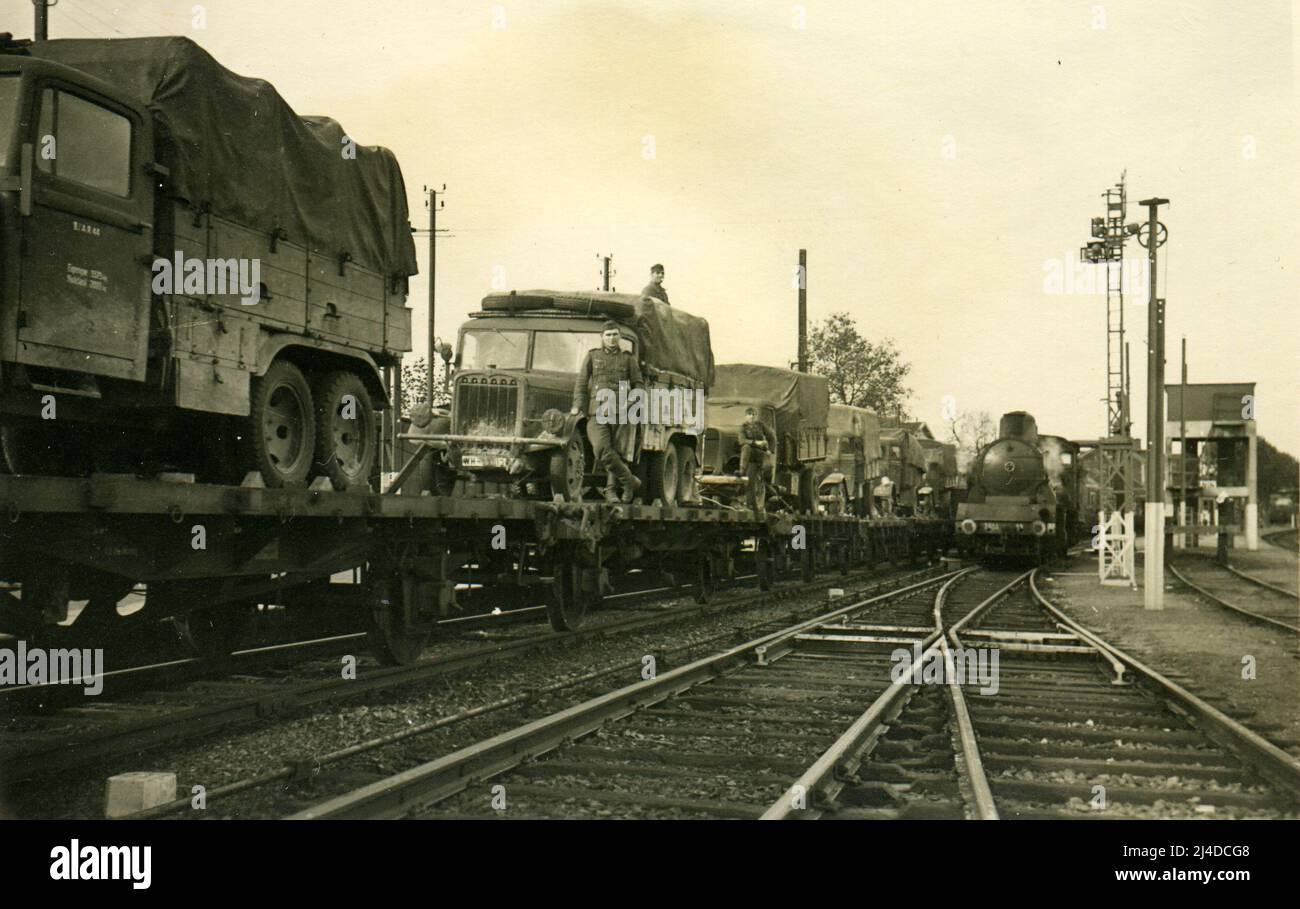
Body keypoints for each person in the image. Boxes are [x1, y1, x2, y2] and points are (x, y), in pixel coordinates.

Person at [572, 321, 644, 503]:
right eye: (608, 335)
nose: (612, 338)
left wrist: (630, 404)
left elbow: (638, 385)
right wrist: (578, 406)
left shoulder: (628, 359)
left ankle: (611, 492)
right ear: (602, 337)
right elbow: (581, 383)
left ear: (620, 337)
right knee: (601, 448)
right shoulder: (592, 356)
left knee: (618, 452)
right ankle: (629, 481)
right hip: (597, 412)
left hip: (621, 412)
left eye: (615, 334)